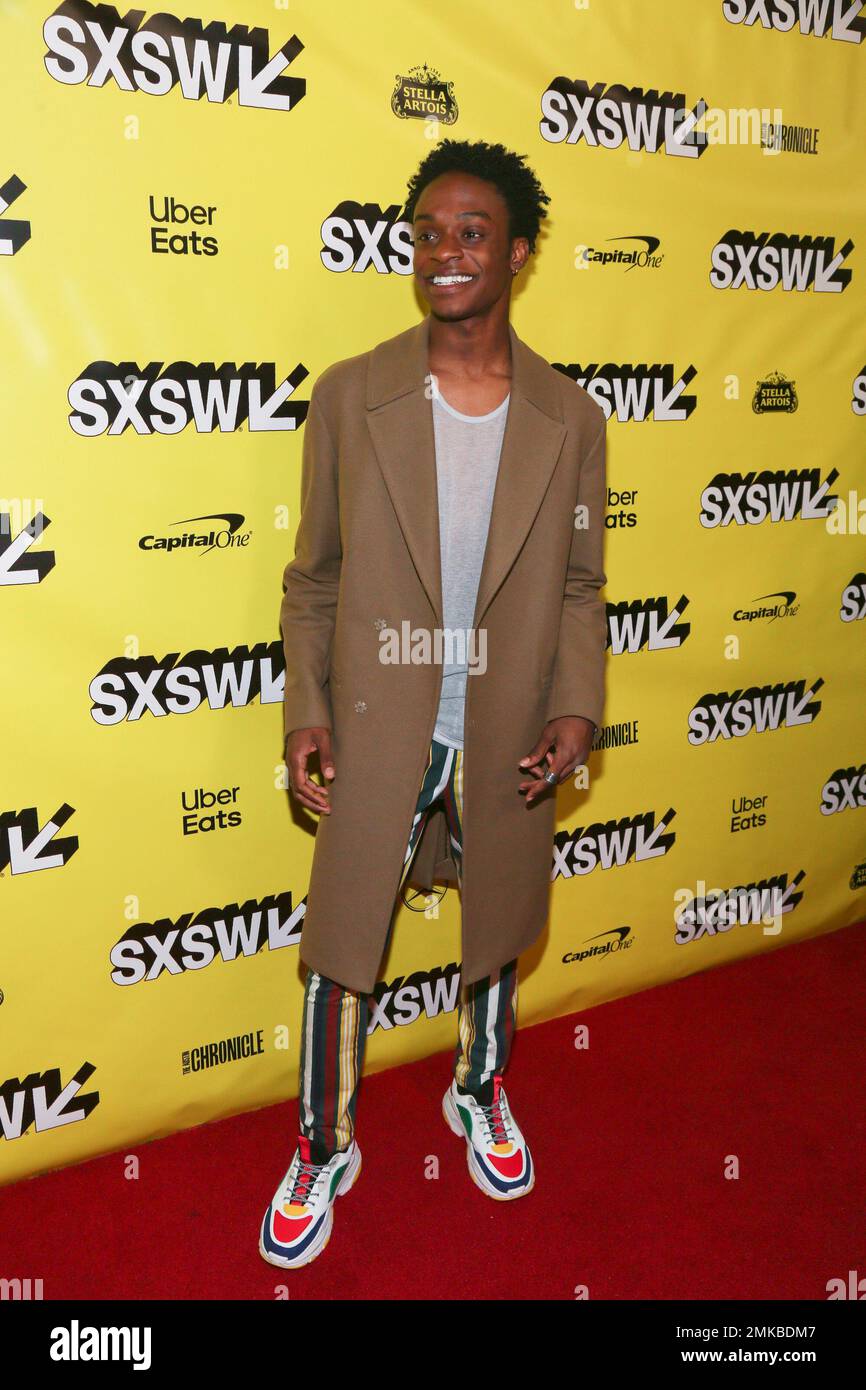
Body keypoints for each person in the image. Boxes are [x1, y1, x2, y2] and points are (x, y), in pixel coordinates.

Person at [260, 139, 607, 1268]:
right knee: (339, 944)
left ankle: (481, 1087)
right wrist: (304, 708)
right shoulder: (352, 392)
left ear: (515, 252)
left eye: (469, 232)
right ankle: (322, 1144)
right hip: (376, 720)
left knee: (499, 932)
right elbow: (312, 575)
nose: (444, 251)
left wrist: (576, 706)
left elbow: (577, 581)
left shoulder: (571, 415)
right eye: (426, 231)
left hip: (503, 726)